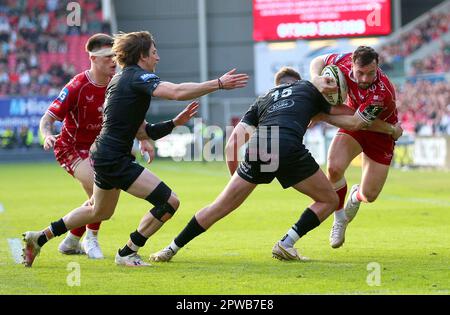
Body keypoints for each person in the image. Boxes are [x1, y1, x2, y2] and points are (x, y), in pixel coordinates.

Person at [22, 30, 248, 267]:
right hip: (113, 157)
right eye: (154, 52)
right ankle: (128, 252)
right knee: (169, 202)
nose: (157, 58)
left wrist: (173, 124)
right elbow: (176, 92)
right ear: (141, 56)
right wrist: (218, 83)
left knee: (99, 211)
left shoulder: (120, 80)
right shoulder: (136, 78)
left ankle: (39, 237)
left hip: (104, 154)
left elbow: (143, 132)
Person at [149, 67, 348, 263]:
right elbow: (349, 115)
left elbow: (232, 145)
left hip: (259, 146)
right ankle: (286, 243)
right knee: (328, 200)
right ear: (296, 81)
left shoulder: (263, 100)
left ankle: (170, 249)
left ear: (277, 85)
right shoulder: (306, 88)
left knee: (219, 206)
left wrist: (237, 179)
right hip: (287, 145)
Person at [309, 46, 402, 249]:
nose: (365, 78)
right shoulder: (342, 60)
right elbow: (318, 60)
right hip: (356, 121)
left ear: (377, 66)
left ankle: (355, 196)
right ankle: (340, 217)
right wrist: (316, 78)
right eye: (360, 73)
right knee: (333, 168)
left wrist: (322, 116)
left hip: (379, 134)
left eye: (371, 72)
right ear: (351, 64)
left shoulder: (381, 91)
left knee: (370, 195)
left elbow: (358, 123)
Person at [39, 33, 118, 259]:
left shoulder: (116, 84)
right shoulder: (77, 85)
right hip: (71, 148)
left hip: (98, 150)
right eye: (107, 57)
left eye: (115, 56)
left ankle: (72, 240)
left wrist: (143, 139)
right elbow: (48, 118)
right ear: (93, 58)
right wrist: (46, 135)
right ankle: (90, 239)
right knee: (100, 190)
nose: (113, 61)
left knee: (101, 196)